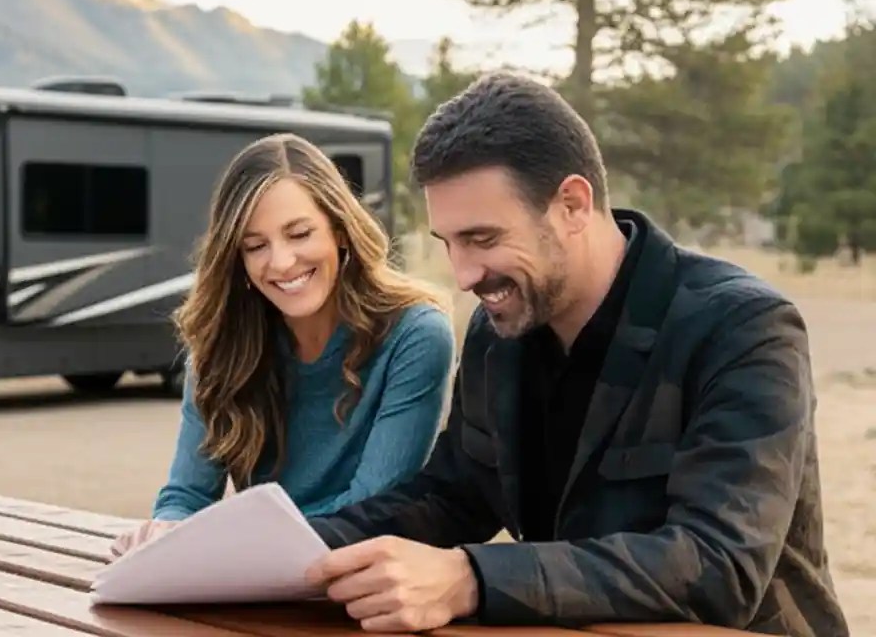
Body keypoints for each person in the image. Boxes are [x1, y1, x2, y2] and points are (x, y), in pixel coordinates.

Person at [301, 72, 849, 636]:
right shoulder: (499, 333)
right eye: (450, 243)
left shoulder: (743, 328)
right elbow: (451, 495)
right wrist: (293, 552)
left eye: (483, 239)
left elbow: (719, 566)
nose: (463, 276)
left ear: (572, 204)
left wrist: (472, 578)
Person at [110, 133, 456, 558]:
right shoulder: (221, 345)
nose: (281, 262)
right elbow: (186, 495)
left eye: (299, 234)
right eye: (255, 246)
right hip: (258, 570)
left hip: (359, 571)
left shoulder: (416, 335)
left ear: (340, 231)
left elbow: (371, 507)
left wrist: (234, 541)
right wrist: (166, 529)